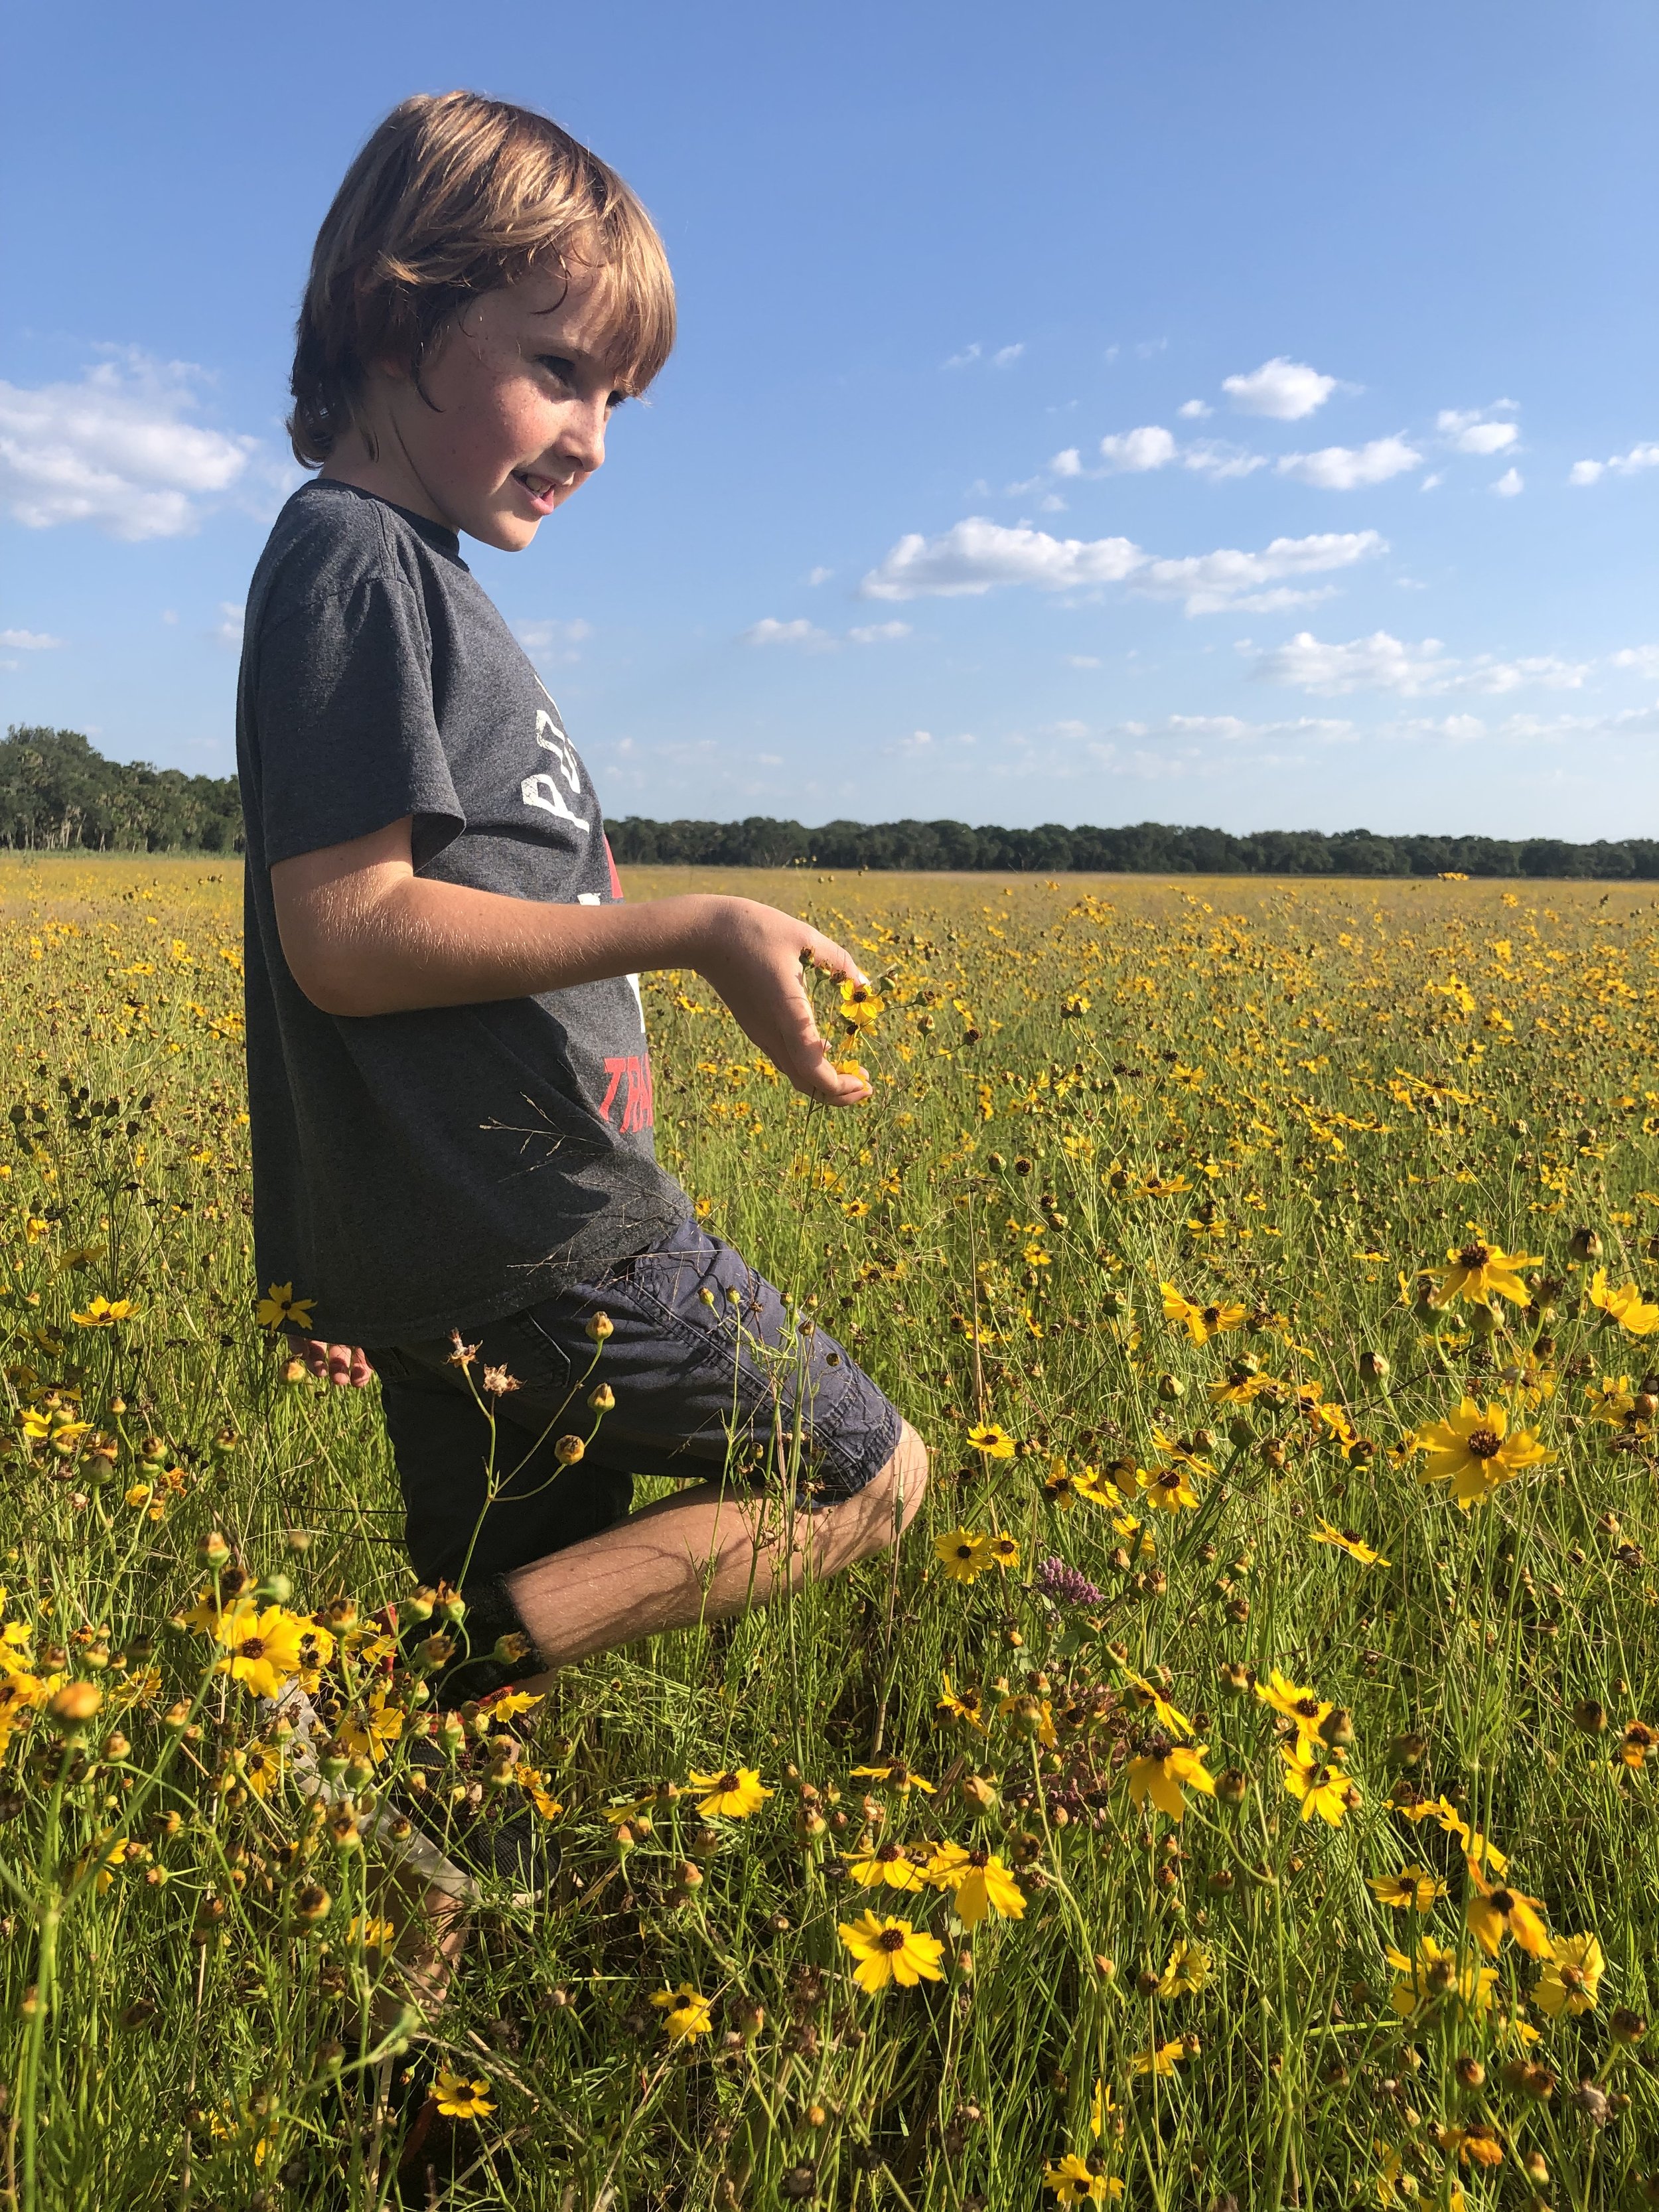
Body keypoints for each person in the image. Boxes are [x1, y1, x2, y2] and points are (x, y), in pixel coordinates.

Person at [237, 90, 928, 1880]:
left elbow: (318, 961)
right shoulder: (356, 562)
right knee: (867, 1478)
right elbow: (341, 935)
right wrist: (685, 929)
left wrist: (321, 1259)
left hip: (463, 1249)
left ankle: (417, 2000)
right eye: (559, 371)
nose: (594, 441)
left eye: (618, 398)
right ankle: (387, 1686)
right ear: (398, 319)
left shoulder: (416, 576)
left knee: (486, 1747)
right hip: (550, 1239)